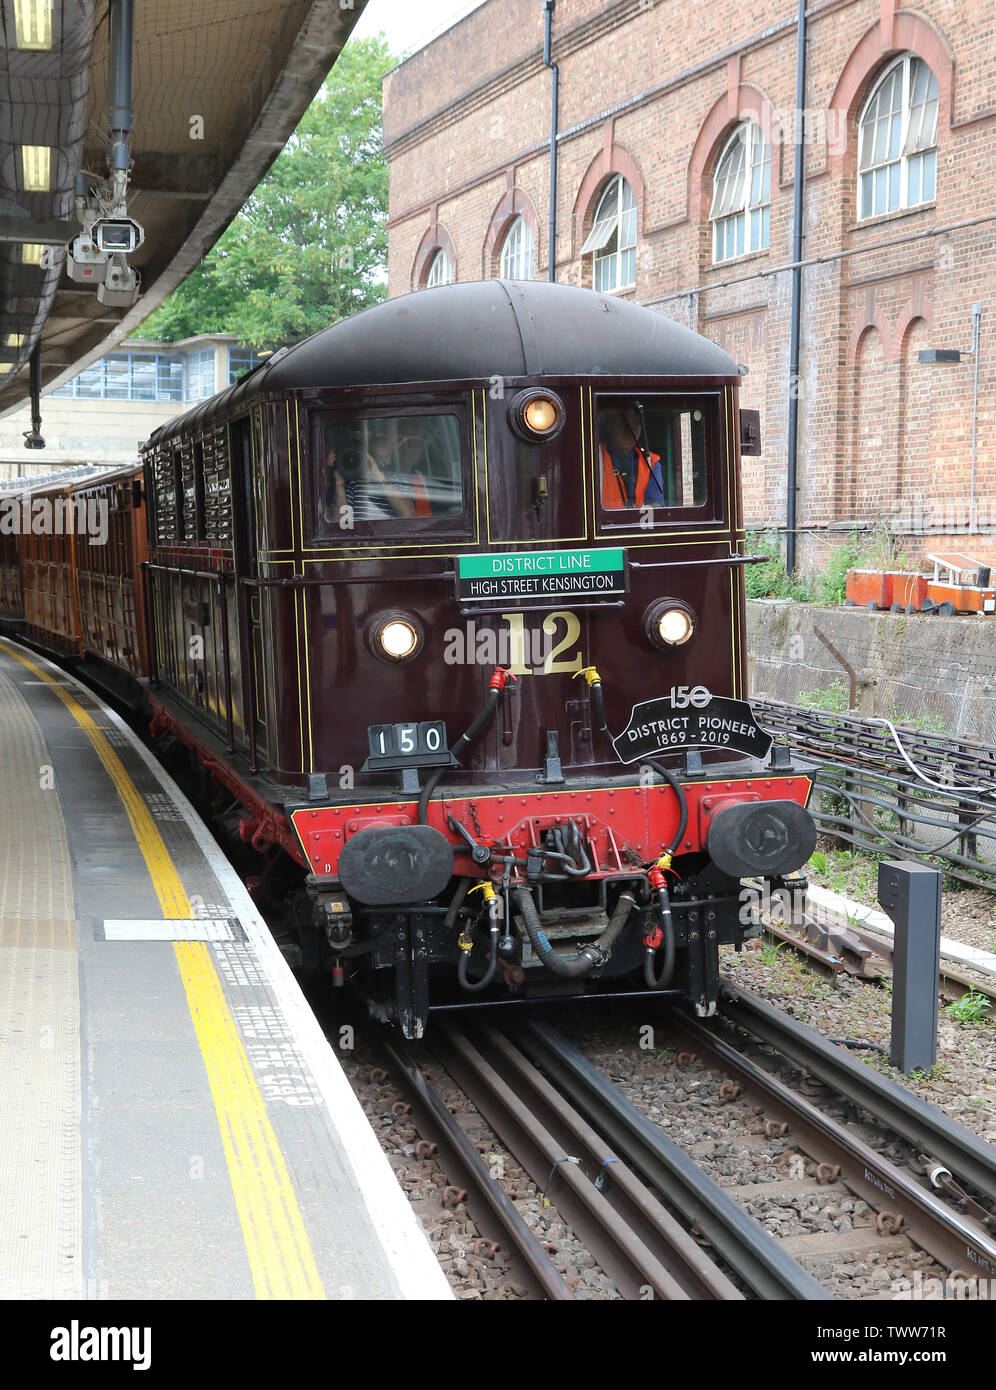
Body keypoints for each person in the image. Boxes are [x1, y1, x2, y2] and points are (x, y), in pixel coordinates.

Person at [599, 407, 667, 509]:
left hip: (640, 524)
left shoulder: (650, 461)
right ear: (609, 427)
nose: (629, 432)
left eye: (634, 426)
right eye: (623, 426)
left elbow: (656, 505)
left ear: (640, 429)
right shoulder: (594, 457)